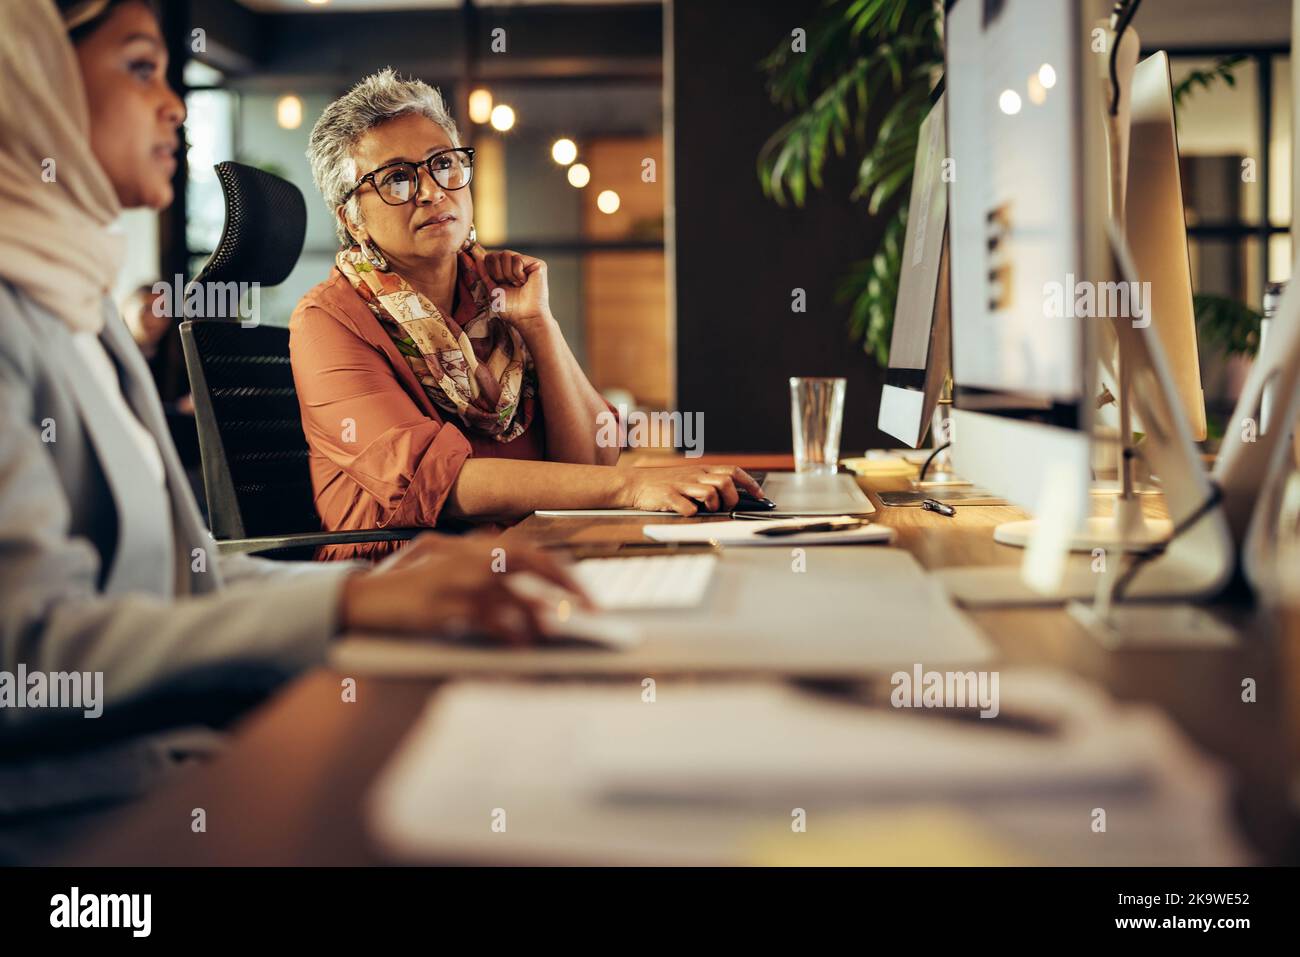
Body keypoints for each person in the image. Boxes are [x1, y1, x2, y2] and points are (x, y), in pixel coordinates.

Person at [0, 0, 585, 744]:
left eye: (444, 167)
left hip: (191, 742)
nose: (174, 105)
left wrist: (364, 592)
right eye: (140, 66)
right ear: (31, 80)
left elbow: (195, 578)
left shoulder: (82, 316)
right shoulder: (325, 317)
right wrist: (354, 600)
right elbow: (22, 659)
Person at [294, 69, 765, 560]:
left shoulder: (493, 297)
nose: (433, 191)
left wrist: (539, 325)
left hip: (536, 561)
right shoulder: (328, 321)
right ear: (351, 216)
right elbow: (438, 481)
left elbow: (592, 458)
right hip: (402, 586)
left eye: (444, 164)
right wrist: (631, 487)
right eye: (396, 178)